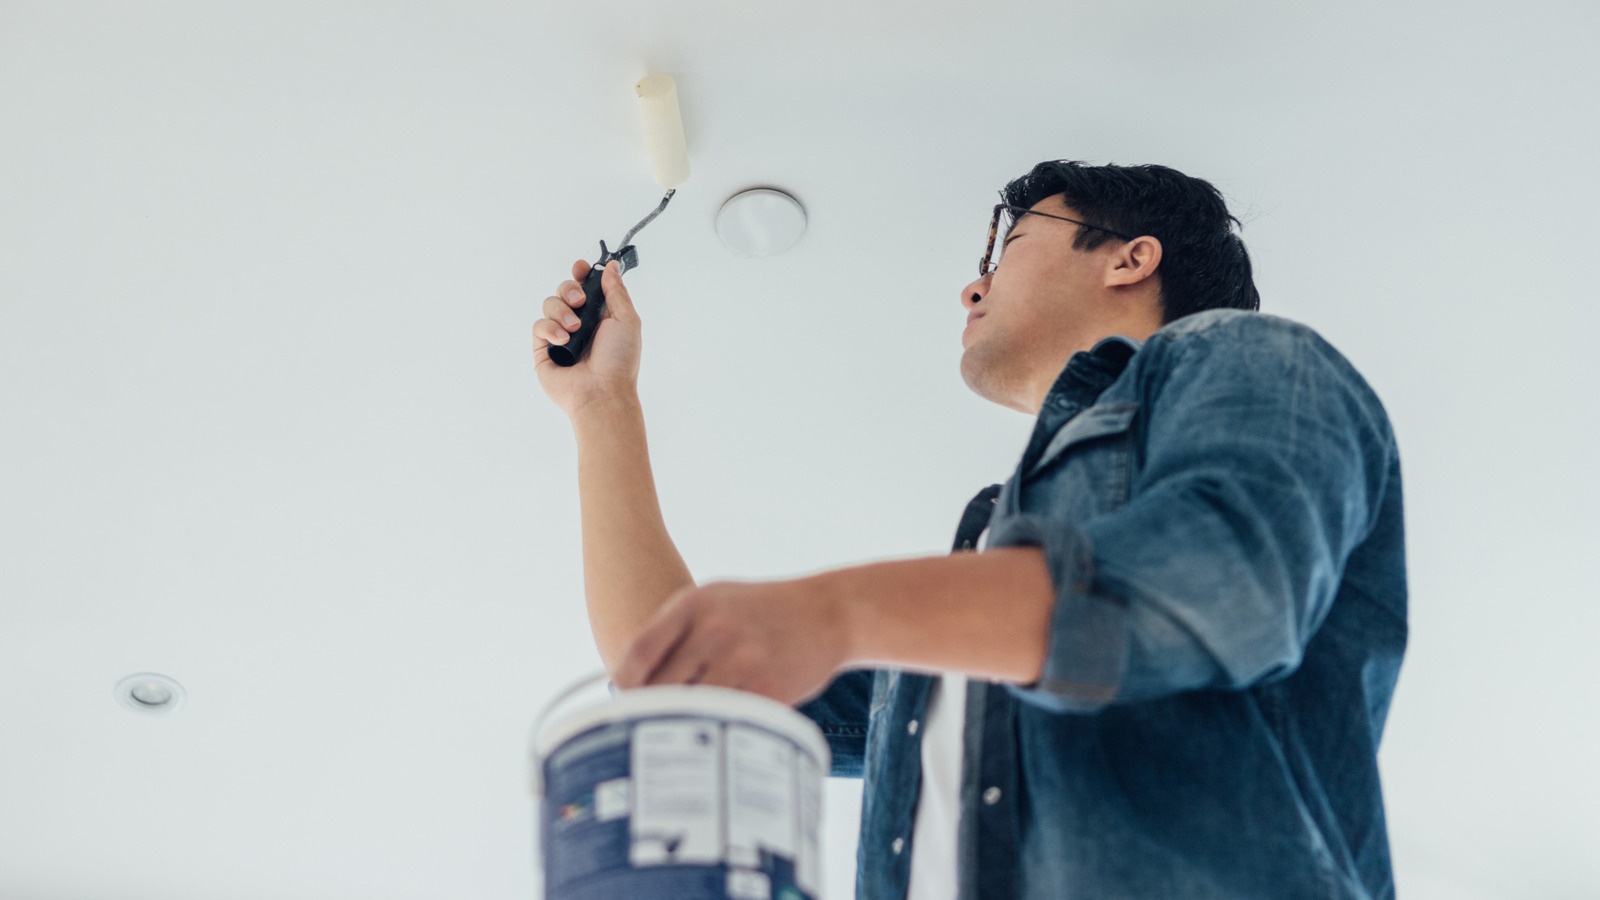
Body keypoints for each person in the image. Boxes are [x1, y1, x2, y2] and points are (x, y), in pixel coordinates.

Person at [530, 159, 1407, 900]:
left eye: (1012, 244)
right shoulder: (983, 580)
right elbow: (678, 677)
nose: (973, 284)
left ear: (1132, 259)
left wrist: (836, 611)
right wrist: (602, 407)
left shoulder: (1252, 359)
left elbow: (1214, 586)